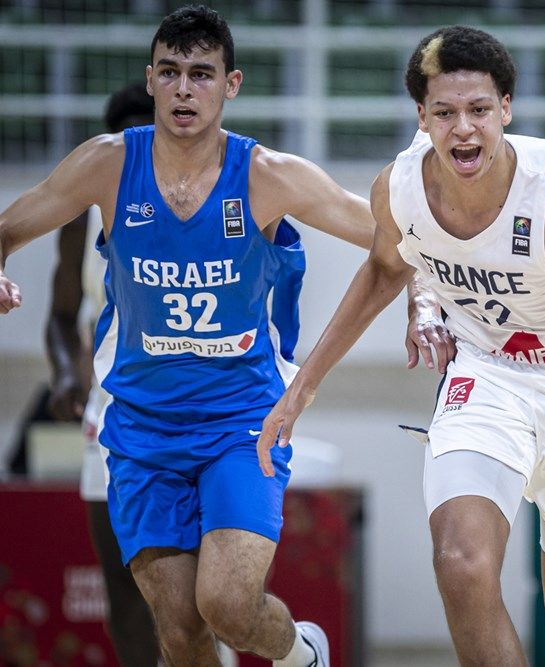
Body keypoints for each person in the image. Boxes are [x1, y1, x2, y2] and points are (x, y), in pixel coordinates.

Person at [256, 25, 545, 667]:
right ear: (422, 117)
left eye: (479, 110)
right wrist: (301, 389)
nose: (463, 129)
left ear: (506, 109)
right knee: (461, 564)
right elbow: (384, 270)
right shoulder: (399, 189)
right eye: (444, 112)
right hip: (487, 375)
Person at [0, 5, 379, 665]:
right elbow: (7, 228)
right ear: (150, 79)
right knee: (178, 627)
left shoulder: (267, 174)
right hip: (142, 427)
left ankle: (302, 654)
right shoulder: (108, 164)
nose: (183, 88)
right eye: (170, 71)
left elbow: (391, 238)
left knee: (228, 604)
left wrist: (428, 297)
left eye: (201, 73)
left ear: (231, 84)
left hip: (241, 420)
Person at [44, 81, 161, 665]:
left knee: (201, 587)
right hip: (111, 408)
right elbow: (61, 317)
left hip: (194, 403)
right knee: (123, 579)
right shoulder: (84, 211)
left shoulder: (213, 196)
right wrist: (67, 376)